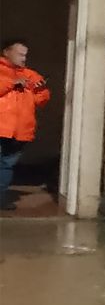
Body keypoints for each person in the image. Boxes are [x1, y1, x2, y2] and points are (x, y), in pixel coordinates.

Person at [0, 39, 51, 210]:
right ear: (6, 52)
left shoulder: (31, 74)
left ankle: (0, 199)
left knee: (7, 165)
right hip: (1, 127)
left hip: (21, 131)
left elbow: (42, 100)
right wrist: (12, 83)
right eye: (20, 54)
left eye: (25, 55)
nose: (24, 58)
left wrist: (39, 89)